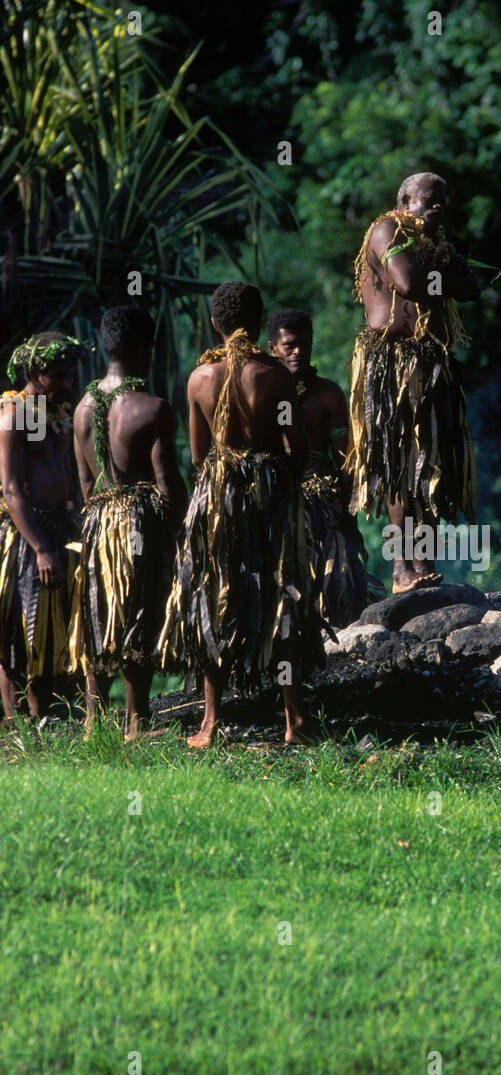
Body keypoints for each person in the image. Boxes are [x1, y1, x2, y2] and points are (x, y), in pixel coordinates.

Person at [157, 281, 317, 747]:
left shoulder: (200, 380)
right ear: (258, 319)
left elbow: (198, 454)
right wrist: (278, 478)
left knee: (213, 596)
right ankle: (294, 719)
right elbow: (297, 446)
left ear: (216, 323)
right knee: (282, 593)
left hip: (218, 498)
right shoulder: (276, 377)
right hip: (270, 492)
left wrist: (228, 475)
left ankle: (209, 722)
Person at [346, 171, 480, 593]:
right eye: (429, 198)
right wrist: (445, 279)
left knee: (432, 465)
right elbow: (408, 282)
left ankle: (423, 564)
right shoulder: (387, 230)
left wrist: (442, 275)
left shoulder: (437, 245)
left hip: (432, 362)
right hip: (393, 363)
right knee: (400, 466)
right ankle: (401, 568)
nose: (439, 205)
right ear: (404, 200)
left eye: (444, 198)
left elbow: (474, 286)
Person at [68, 306, 187, 739]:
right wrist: (180, 530)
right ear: (144, 351)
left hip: (97, 522)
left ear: (105, 348)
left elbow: (84, 482)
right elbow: (167, 482)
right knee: (139, 610)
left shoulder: (82, 409)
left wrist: (103, 517)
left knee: (98, 613)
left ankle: (93, 720)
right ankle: (136, 722)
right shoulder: (153, 408)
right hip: (139, 521)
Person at [0, 332, 84, 721]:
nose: (67, 383)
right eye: (59, 376)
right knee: (20, 628)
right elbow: (13, 489)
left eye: (71, 375)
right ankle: (19, 725)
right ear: (35, 371)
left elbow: (62, 466)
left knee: (55, 626)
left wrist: (78, 518)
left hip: (57, 527)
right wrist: (40, 547)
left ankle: (48, 716)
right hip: (26, 534)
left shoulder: (50, 410)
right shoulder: (14, 414)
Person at [267, 308, 368, 627]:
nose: (298, 352)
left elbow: (345, 458)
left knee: (336, 582)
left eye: (304, 344)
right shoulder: (261, 393)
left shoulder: (328, 394)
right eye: (290, 345)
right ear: (273, 348)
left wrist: (347, 509)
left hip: (320, 498)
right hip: (276, 498)